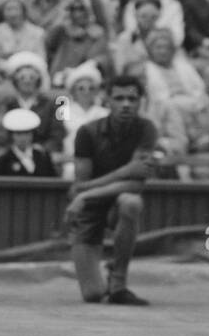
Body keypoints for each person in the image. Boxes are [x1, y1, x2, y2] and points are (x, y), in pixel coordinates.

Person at [66, 74, 156, 305]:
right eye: (119, 98)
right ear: (107, 100)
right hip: (90, 211)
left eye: (132, 99)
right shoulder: (86, 132)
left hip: (113, 203)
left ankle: (118, 283)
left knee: (131, 202)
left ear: (140, 101)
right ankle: (104, 281)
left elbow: (136, 184)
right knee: (93, 295)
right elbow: (80, 187)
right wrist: (127, 170)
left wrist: (87, 192)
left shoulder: (147, 128)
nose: (126, 104)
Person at [0, 107, 56, 176]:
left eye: (27, 133)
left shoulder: (43, 157)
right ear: (12, 135)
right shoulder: (3, 160)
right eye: (18, 134)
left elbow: (54, 181)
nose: (23, 138)